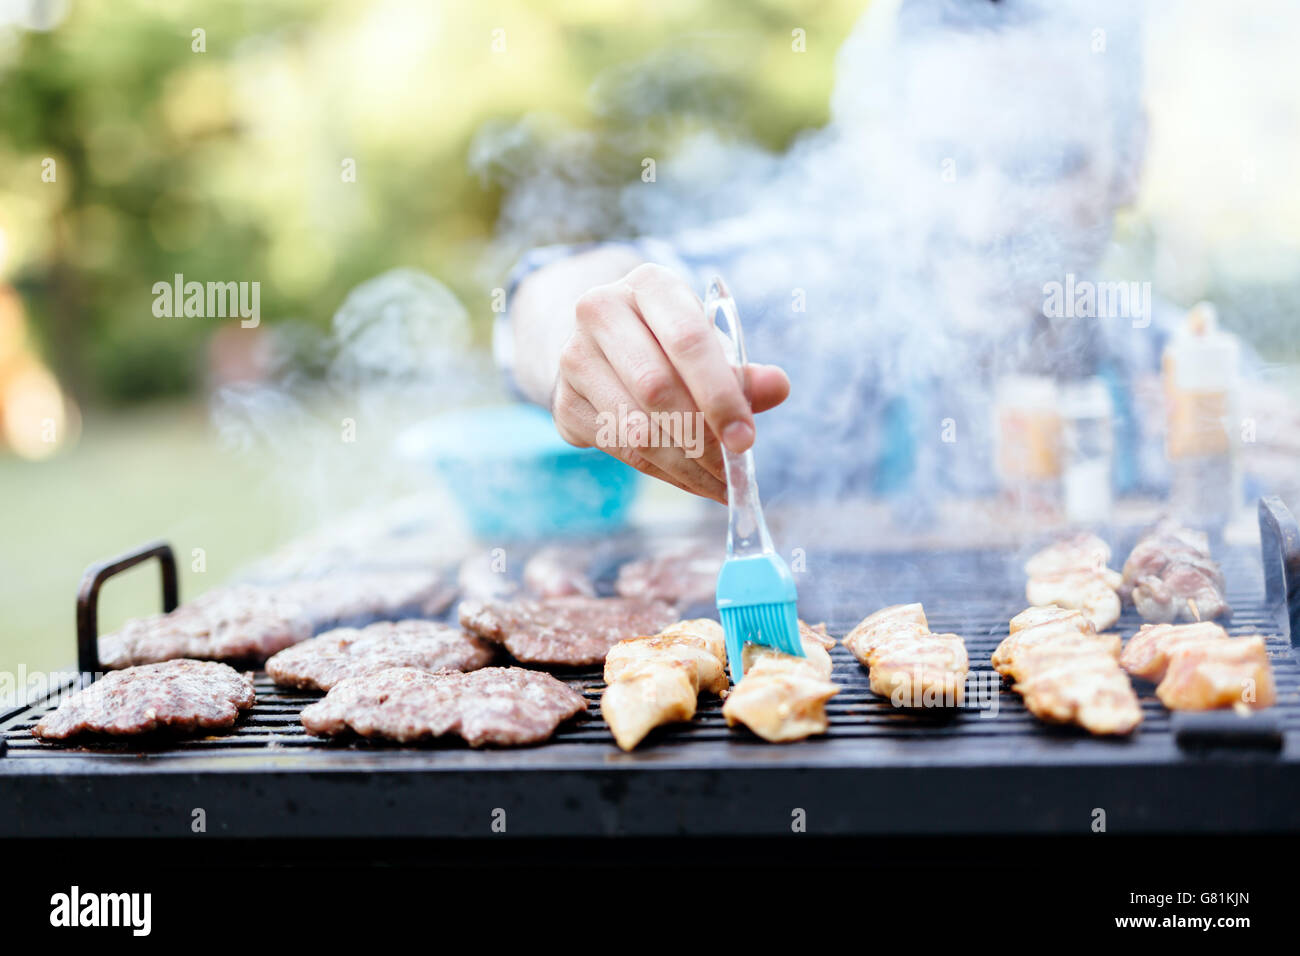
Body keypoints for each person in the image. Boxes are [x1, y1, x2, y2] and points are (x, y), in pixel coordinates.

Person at [497, 0, 1162, 512]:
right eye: (946, 161)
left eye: (1042, 166)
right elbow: (554, 290)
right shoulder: (806, 289)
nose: (984, 222)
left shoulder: (1175, 366)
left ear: (1129, 158)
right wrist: (584, 334)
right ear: (888, 147)